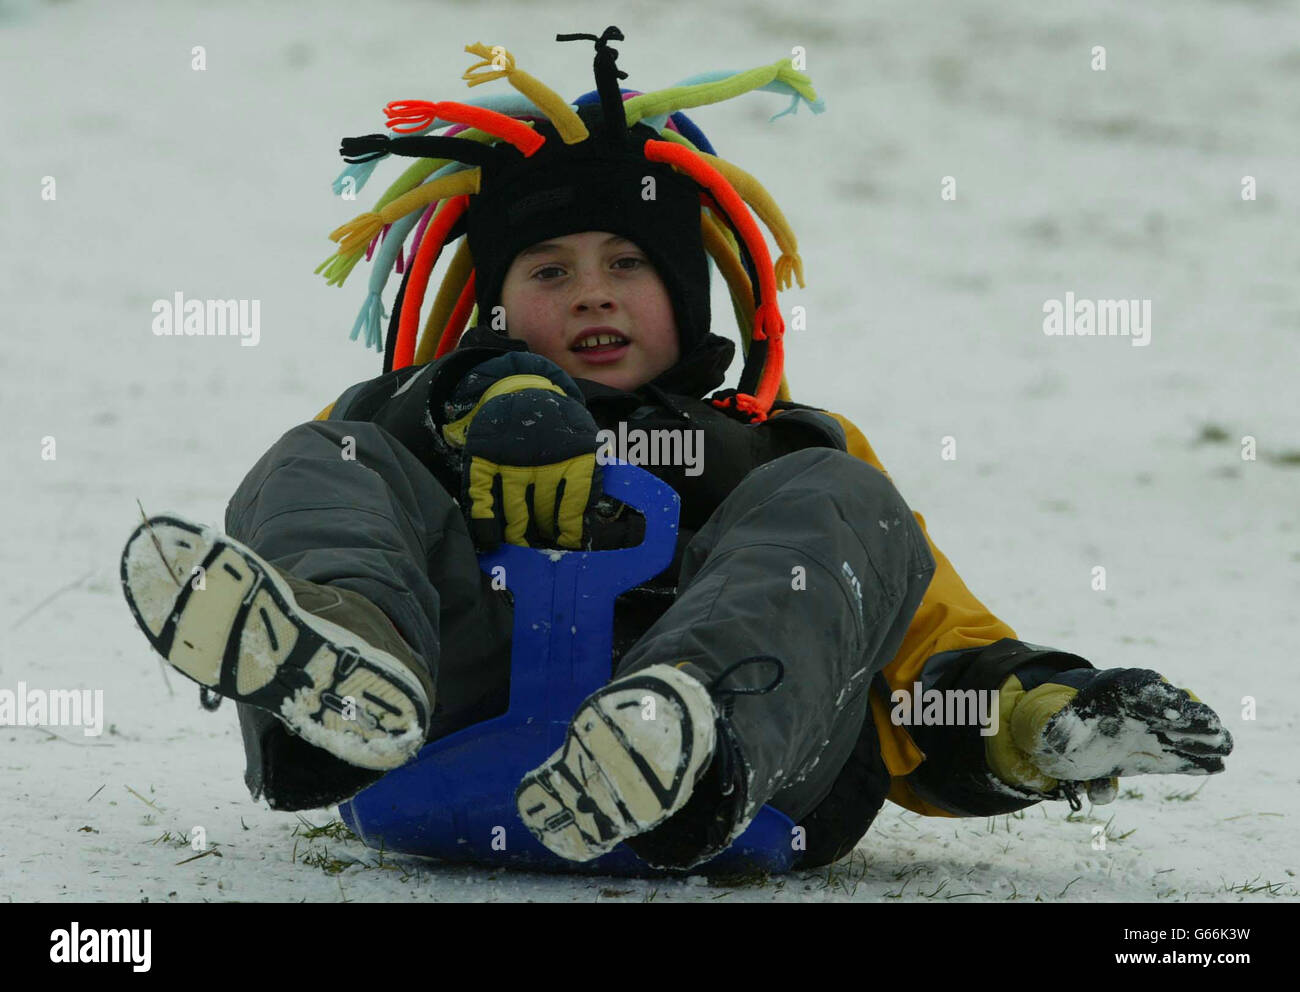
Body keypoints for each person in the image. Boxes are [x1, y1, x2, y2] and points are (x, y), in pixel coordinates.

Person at [119, 28, 1232, 872]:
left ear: (691, 294)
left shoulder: (786, 451)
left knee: (841, 498)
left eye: (627, 263)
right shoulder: (410, 419)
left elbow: (919, 656)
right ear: (489, 309)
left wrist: (1034, 721)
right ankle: (347, 675)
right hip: (438, 740)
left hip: (745, 790)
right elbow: (352, 468)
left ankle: (681, 730)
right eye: (548, 271)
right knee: (324, 458)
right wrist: (470, 406)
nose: (592, 289)